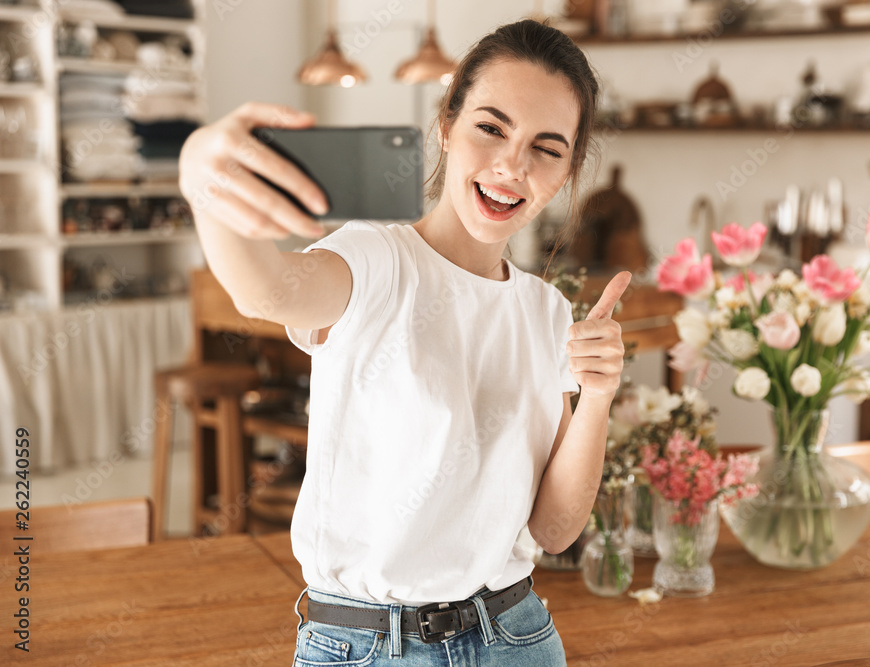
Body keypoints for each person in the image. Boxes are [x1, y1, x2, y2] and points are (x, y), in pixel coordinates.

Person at [179, 18, 630, 666]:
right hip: (368, 644)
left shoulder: (547, 313)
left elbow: (554, 530)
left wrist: (599, 395)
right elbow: (267, 291)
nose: (511, 165)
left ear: (567, 171)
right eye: (491, 127)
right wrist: (203, 177)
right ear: (447, 124)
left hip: (517, 633)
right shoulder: (375, 258)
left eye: (546, 147)